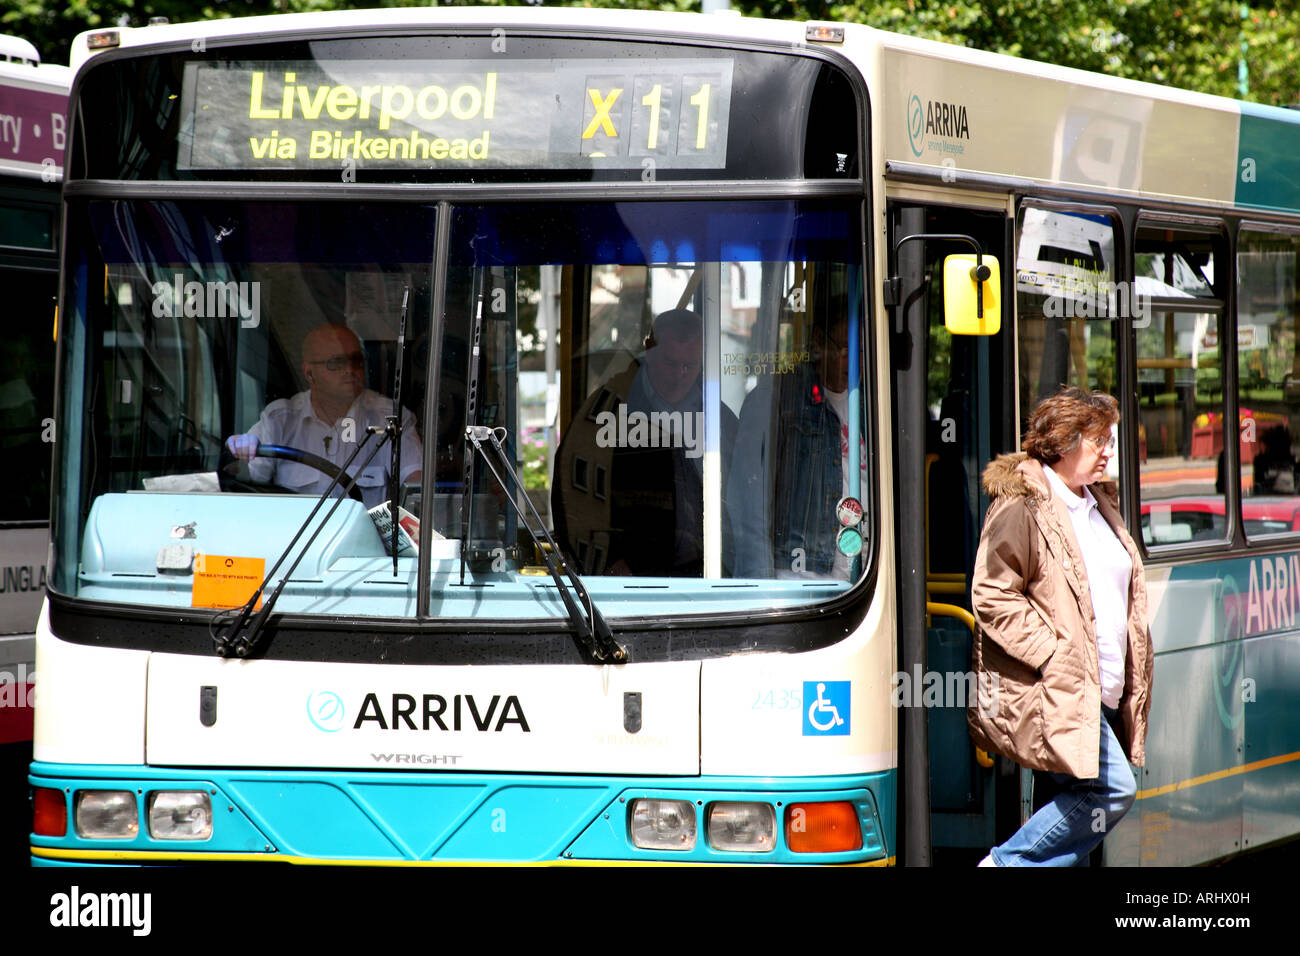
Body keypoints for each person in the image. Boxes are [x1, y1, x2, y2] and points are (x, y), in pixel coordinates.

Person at [970, 386, 1154, 866]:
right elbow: (992, 594)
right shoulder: (1023, 506)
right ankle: (1003, 864)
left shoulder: (1097, 503)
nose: (1110, 452)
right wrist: (1054, 654)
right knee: (1111, 792)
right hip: (1064, 688)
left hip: (1103, 692)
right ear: (1064, 442)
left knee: (1074, 817)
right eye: (1100, 442)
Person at [552, 308, 736, 576]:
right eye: (670, 364)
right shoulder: (607, 413)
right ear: (649, 351)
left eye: (690, 365)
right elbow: (572, 492)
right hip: (624, 581)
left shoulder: (721, 421)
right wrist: (605, 564)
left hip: (703, 576)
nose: (679, 375)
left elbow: (739, 506)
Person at [225, 323, 422, 509]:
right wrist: (242, 450)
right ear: (309, 374)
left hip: (363, 542)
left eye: (356, 361)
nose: (350, 370)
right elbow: (247, 482)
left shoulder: (390, 418)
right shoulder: (280, 420)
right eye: (336, 363)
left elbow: (416, 487)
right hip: (295, 543)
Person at [729, 313, 864, 578]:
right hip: (800, 577)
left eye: (862, 351)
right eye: (846, 350)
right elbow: (749, 498)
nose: (855, 361)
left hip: (864, 574)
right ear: (817, 344)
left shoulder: (874, 403)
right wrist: (759, 576)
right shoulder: (779, 400)